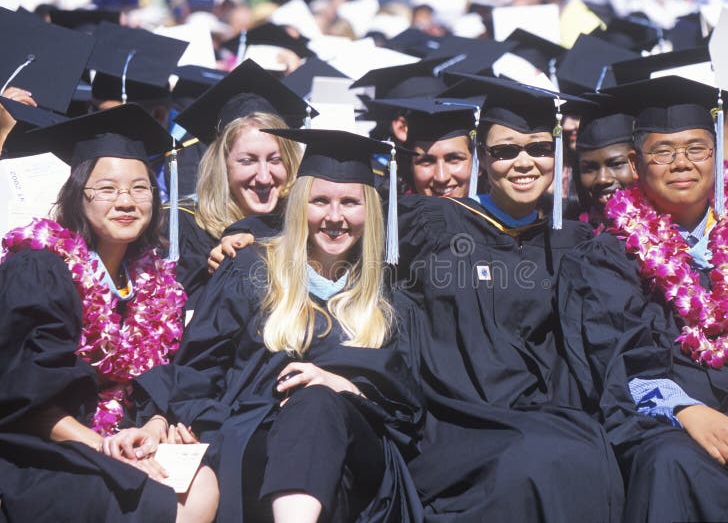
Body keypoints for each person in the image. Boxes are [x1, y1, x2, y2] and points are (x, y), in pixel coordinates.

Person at [128, 129, 424, 522]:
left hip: (358, 457)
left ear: (369, 209)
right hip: (258, 439)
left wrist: (346, 387)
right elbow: (202, 366)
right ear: (300, 204)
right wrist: (192, 420)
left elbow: (407, 400)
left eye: (350, 202)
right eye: (320, 201)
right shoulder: (251, 269)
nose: (334, 218)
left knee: (316, 402)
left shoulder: (386, 293)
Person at [558, 75, 728, 522]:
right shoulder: (608, 257)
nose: (681, 163)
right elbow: (617, 356)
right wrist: (686, 410)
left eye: (695, 149)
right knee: (669, 463)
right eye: (663, 152)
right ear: (635, 162)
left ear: (715, 155)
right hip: (680, 429)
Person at [396, 74, 625, 522]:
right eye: (505, 151)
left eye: (539, 148)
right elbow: (338, 221)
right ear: (483, 158)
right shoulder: (433, 223)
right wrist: (249, 232)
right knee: (538, 458)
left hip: (547, 416)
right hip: (459, 422)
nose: (524, 162)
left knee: (584, 452)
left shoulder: (577, 240)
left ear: (557, 154)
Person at [0, 104, 218, 522]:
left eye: (140, 188)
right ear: (77, 195)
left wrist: (153, 426)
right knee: (141, 493)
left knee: (200, 482)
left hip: (118, 437)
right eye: (107, 189)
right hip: (39, 445)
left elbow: (162, 378)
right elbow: (23, 395)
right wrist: (103, 447)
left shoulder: (158, 284)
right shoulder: (41, 268)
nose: (126, 202)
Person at [168, 59, 308, 310]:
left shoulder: (304, 226)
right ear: (222, 164)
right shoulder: (185, 229)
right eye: (248, 161)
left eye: (275, 159)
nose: (264, 176)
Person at [573, 112, 637, 233]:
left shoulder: (673, 231)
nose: (602, 179)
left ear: (637, 163)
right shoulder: (573, 237)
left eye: (616, 164)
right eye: (589, 168)